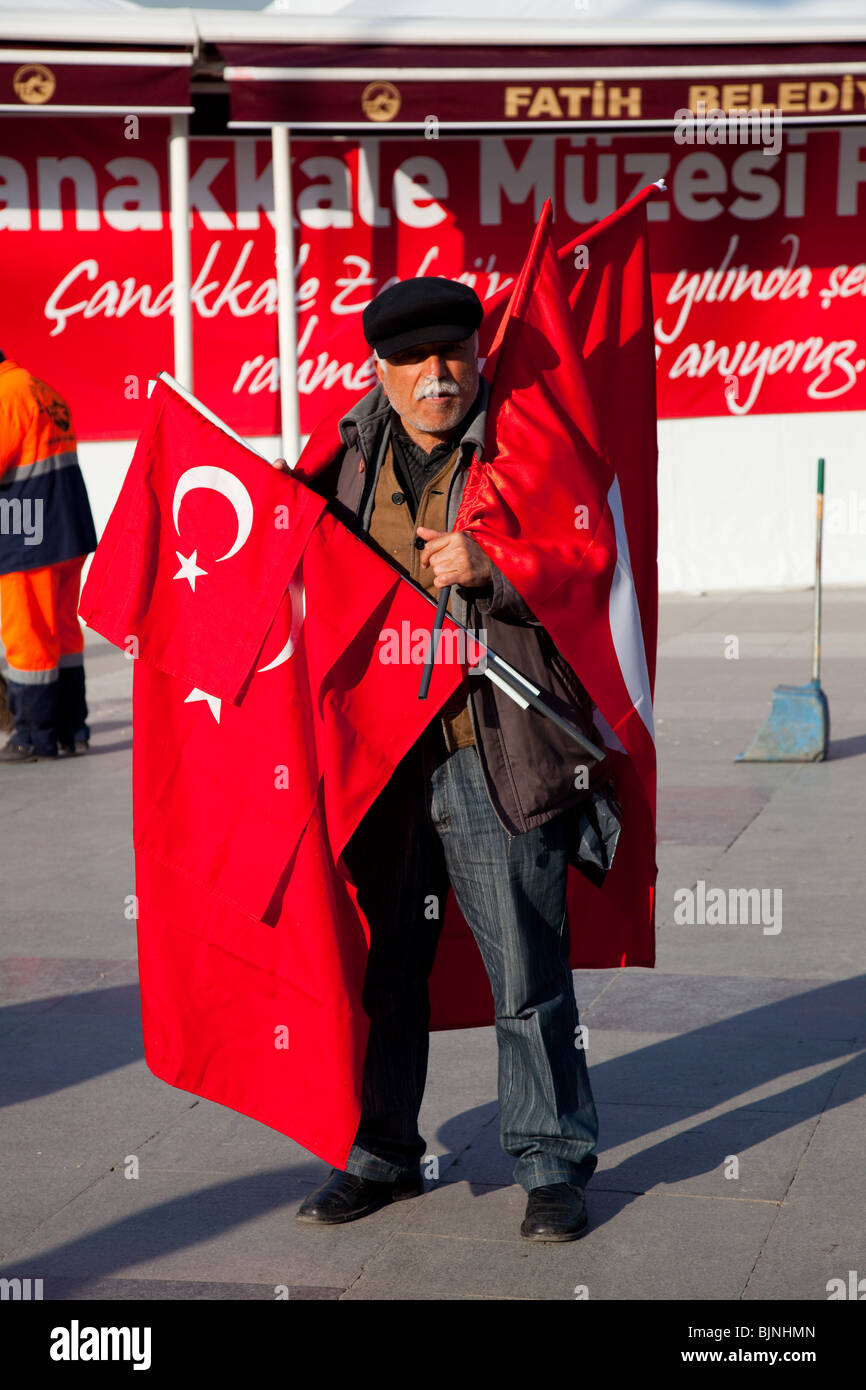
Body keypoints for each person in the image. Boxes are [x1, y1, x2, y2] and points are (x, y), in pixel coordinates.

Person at [272, 278, 617, 1242]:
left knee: (526, 968)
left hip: (490, 751)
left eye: (454, 356)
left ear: (475, 357)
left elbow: (590, 557)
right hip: (382, 765)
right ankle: (381, 1154)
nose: (439, 376)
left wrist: (493, 570)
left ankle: (551, 1165)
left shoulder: (525, 448)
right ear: (380, 371)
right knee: (387, 970)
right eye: (416, 361)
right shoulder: (343, 458)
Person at [0, 351, 96, 763]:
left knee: (29, 636)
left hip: (27, 530)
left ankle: (32, 735)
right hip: (65, 526)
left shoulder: (6, 395)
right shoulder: (41, 389)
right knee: (63, 634)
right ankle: (70, 730)